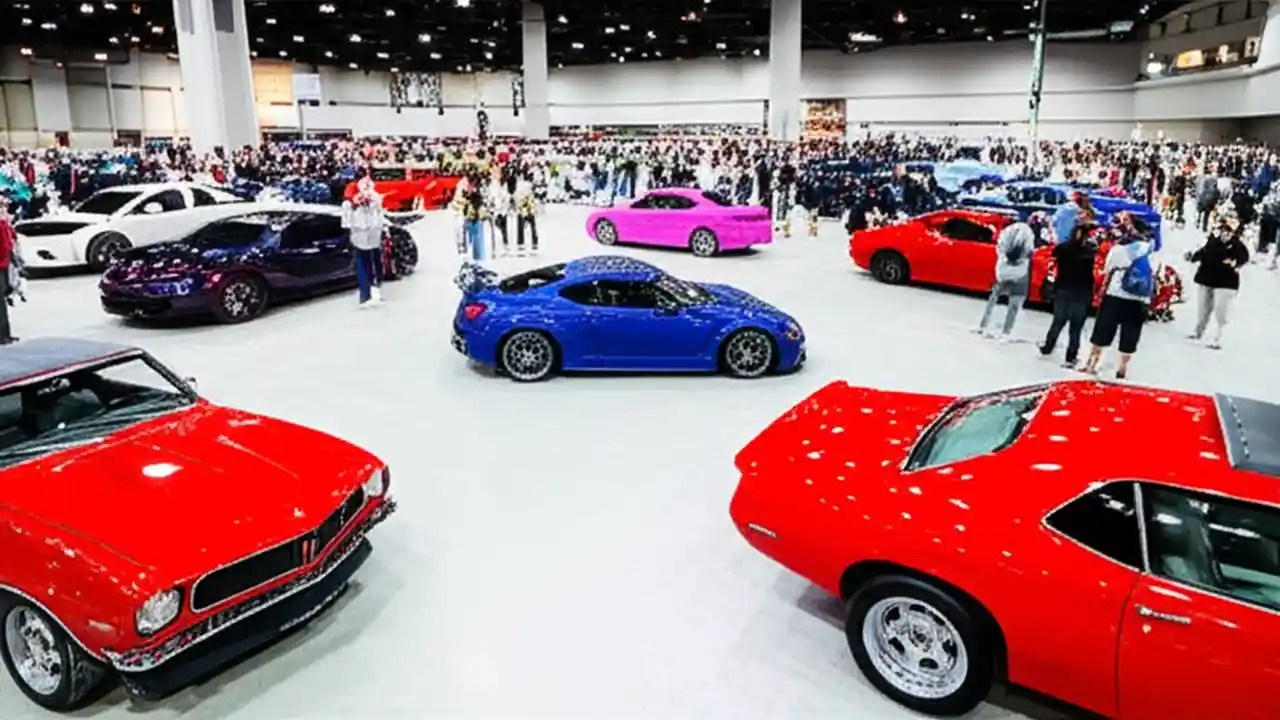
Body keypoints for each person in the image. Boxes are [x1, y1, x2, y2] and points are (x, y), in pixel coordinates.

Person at [1079, 219, 1154, 379]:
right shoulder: (1152, 252)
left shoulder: (1119, 250)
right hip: (1140, 300)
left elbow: (1107, 269)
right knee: (1131, 334)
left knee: (1102, 331)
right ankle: (1122, 368)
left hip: (1116, 295)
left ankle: (1091, 364)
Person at [1186, 211, 1250, 349]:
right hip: (1206, 277)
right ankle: (1198, 331)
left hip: (1226, 282)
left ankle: (1219, 337)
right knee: (1203, 307)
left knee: (1221, 310)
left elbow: (1243, 258)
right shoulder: (1212, 241)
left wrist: (1235, 263)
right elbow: (1203, 252)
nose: (1225, 232)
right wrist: (1192, 257)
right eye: (1223, 228)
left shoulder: (1238, 245)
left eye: (1229, 230)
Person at [1039, 221, 1097, 367]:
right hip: (1082, 292)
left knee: (1058, 321)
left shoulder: (1062, 248)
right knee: (1076, 327)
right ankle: (1071, 355)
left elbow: (1052, 264)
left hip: (1063, 289)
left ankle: (1048, 346)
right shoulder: (1090, 251)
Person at [976, 219, 1035, 340]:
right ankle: (1006, 331)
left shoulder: (1006, 234)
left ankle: (983, 325)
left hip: (1003, 273)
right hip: (1020, 274)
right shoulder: (1028, 234)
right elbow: (1029, 252)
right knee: (1014, 304)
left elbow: (999, 249)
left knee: (993, 299)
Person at [342, 175, 385, 308]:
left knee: (367, 262)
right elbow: (380, 215)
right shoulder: (371, 198)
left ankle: (369, 292)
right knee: (369, 262)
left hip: (366, 234)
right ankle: (370, 292)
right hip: (367, 234)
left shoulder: (371, 198)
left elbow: (346, 222)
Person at [0, 205, 16, 344]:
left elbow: (9, 245)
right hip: (1, 265)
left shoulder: (4, 225)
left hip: (4, 265)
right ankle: (3, 335)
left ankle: (5, 333)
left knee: (3, 299)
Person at [514, 174, 539, 256]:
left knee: (521, 226)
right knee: (532, 226)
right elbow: (531, 196)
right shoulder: (528, 185)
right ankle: (534, 242)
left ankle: (521, 243)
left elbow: (517, 197)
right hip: (528, 207)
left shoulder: (519, 185)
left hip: (524, 207)